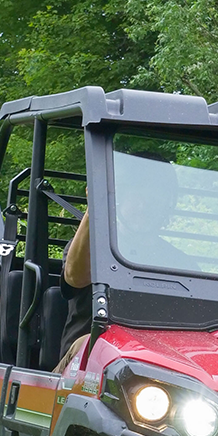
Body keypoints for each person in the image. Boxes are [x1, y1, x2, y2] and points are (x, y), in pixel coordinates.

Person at [54, 151, 192, 371]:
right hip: (82, 370)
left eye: (154, 197)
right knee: (93, 344)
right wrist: (95, 210)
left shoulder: (180, 263)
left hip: (152, 370)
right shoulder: (91, 246)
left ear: (168, 204)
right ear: (117, 197)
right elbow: (74, 278)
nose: (144, 206)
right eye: (136, 195)